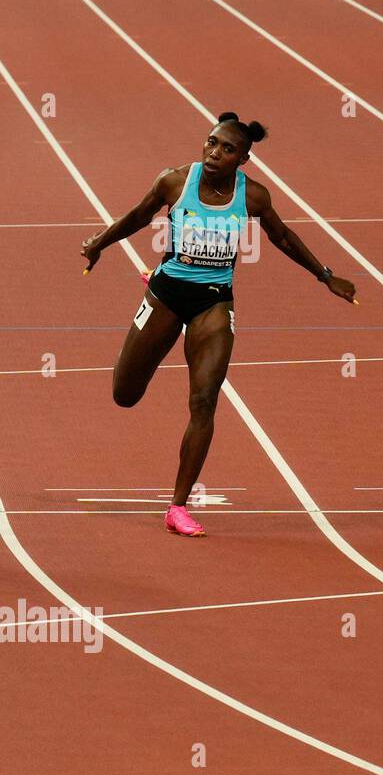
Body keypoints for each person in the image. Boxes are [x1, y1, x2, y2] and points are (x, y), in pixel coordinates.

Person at [80, 113, 357, 536]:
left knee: (205, 400)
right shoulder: (175, 181)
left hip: (214, 302)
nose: (214, 152)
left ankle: (177, 507)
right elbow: (138, 216)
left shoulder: (254, 197)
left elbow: (281, 238)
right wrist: (99, 243)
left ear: (243, 160)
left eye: (227, 149)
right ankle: (152, 277)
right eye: (211, 142)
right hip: (167, 295)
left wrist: (325, 275)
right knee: (125, 394)